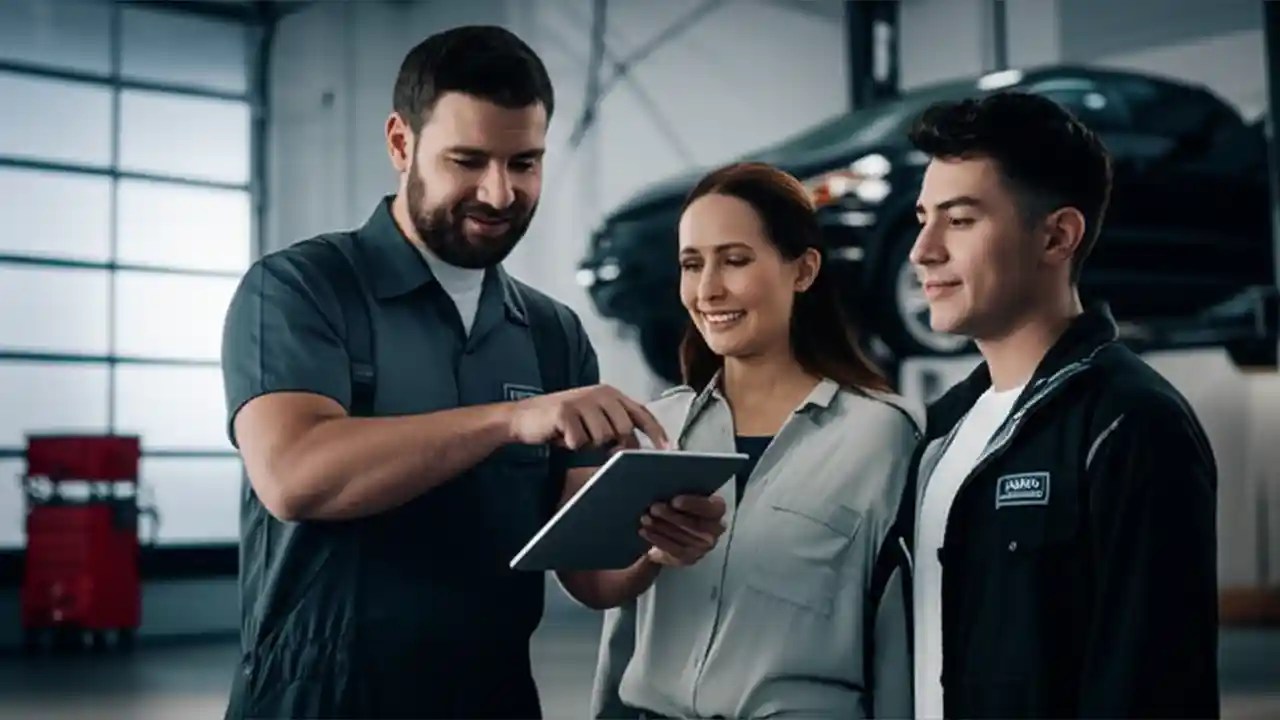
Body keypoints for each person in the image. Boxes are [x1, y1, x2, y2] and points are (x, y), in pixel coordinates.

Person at [219, 26, 688, 719]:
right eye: (468, 161)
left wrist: (656, 542)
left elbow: (591, 575)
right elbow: (294, 475)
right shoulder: (299, 290)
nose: (499, 193)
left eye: (524, 163)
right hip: (322, 700)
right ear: (400, 144)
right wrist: (509, 421)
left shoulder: (554, 335)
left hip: (493, 698)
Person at [899, 91, 1220, 718]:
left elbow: (1154, 686)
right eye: (922, 218)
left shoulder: (1131, 423)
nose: (923, 250)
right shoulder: (937, 432)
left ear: (1057, 236)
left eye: (959, 220)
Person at [566, 162, 922, 719]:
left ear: (803, 270)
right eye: (692, 264)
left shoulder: (883, 435)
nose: (708, 290)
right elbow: (620, 630)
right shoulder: (658, 430)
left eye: (735, 260)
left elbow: (900, 637)